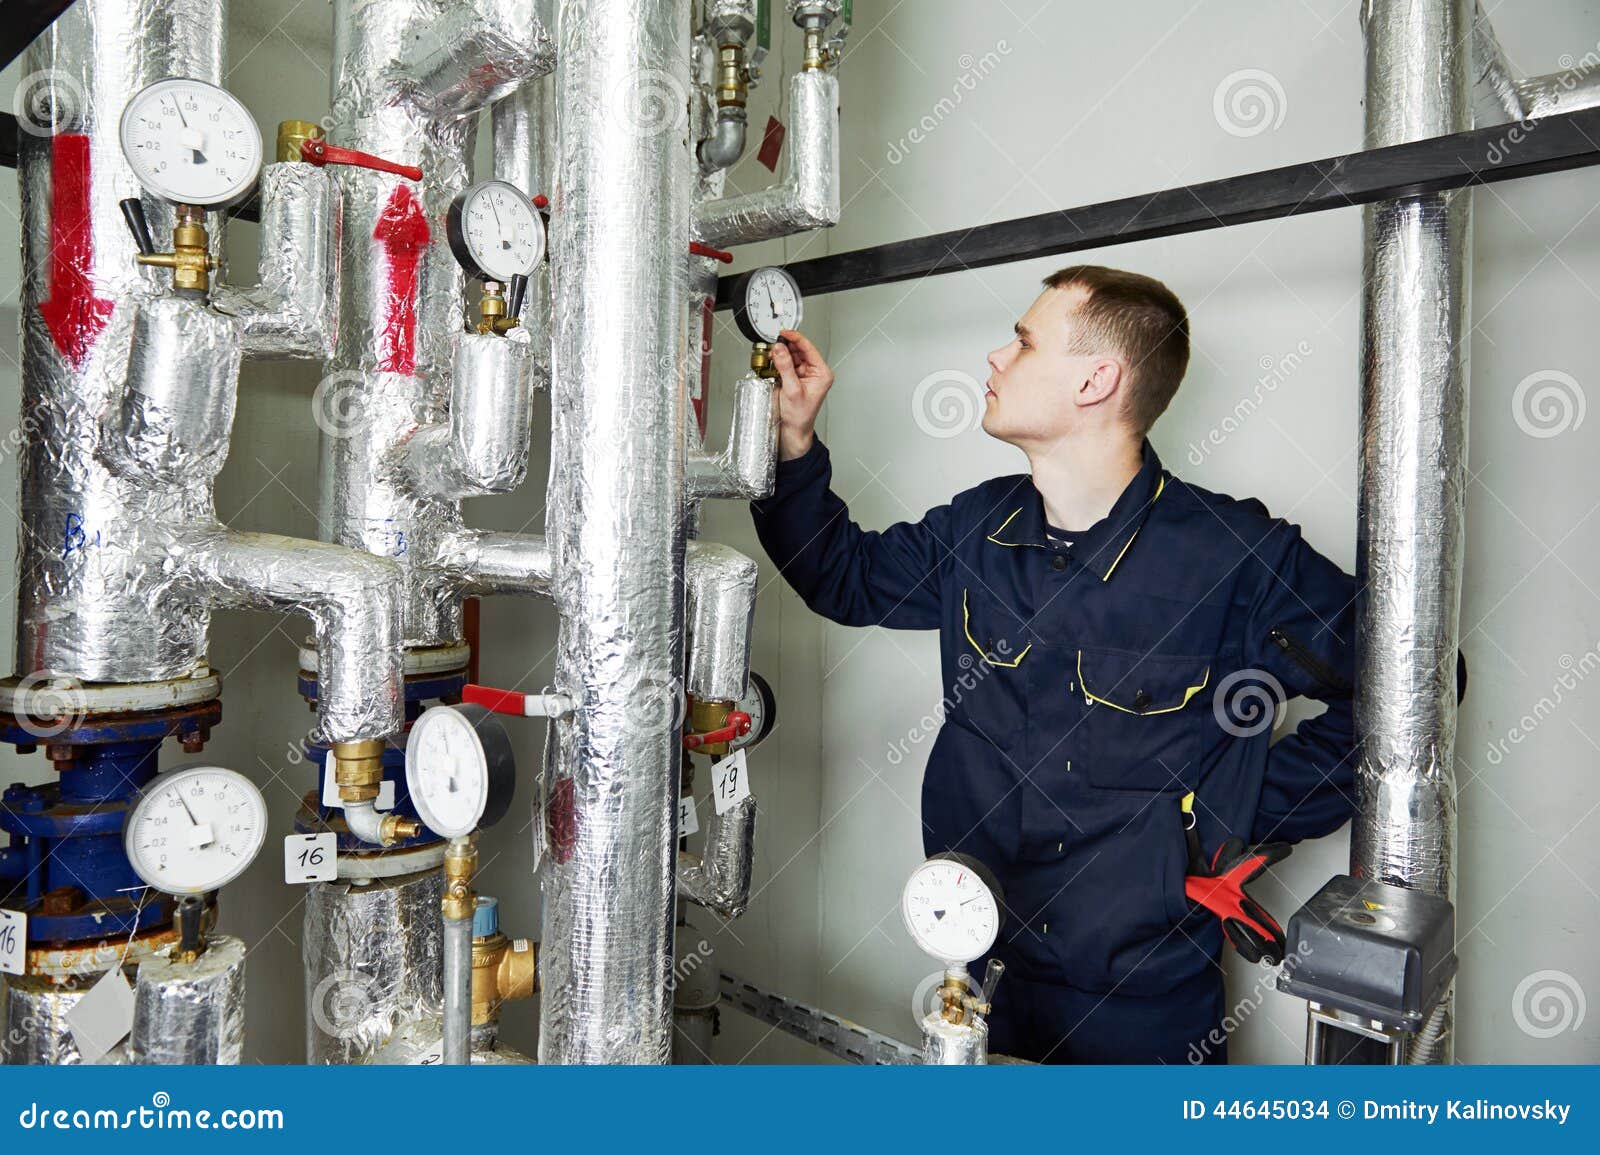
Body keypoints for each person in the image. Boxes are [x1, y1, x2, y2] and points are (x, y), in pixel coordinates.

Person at [750, 265, 1358, 1064]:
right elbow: (842, 574)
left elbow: (1413, 684)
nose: (998, 358)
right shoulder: (980, 527)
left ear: (1097, 379)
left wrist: (1231, 812)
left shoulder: (1233, 556)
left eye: (1025, 341)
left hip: (1141, 1006)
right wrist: (792, 444)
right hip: (981, 975)